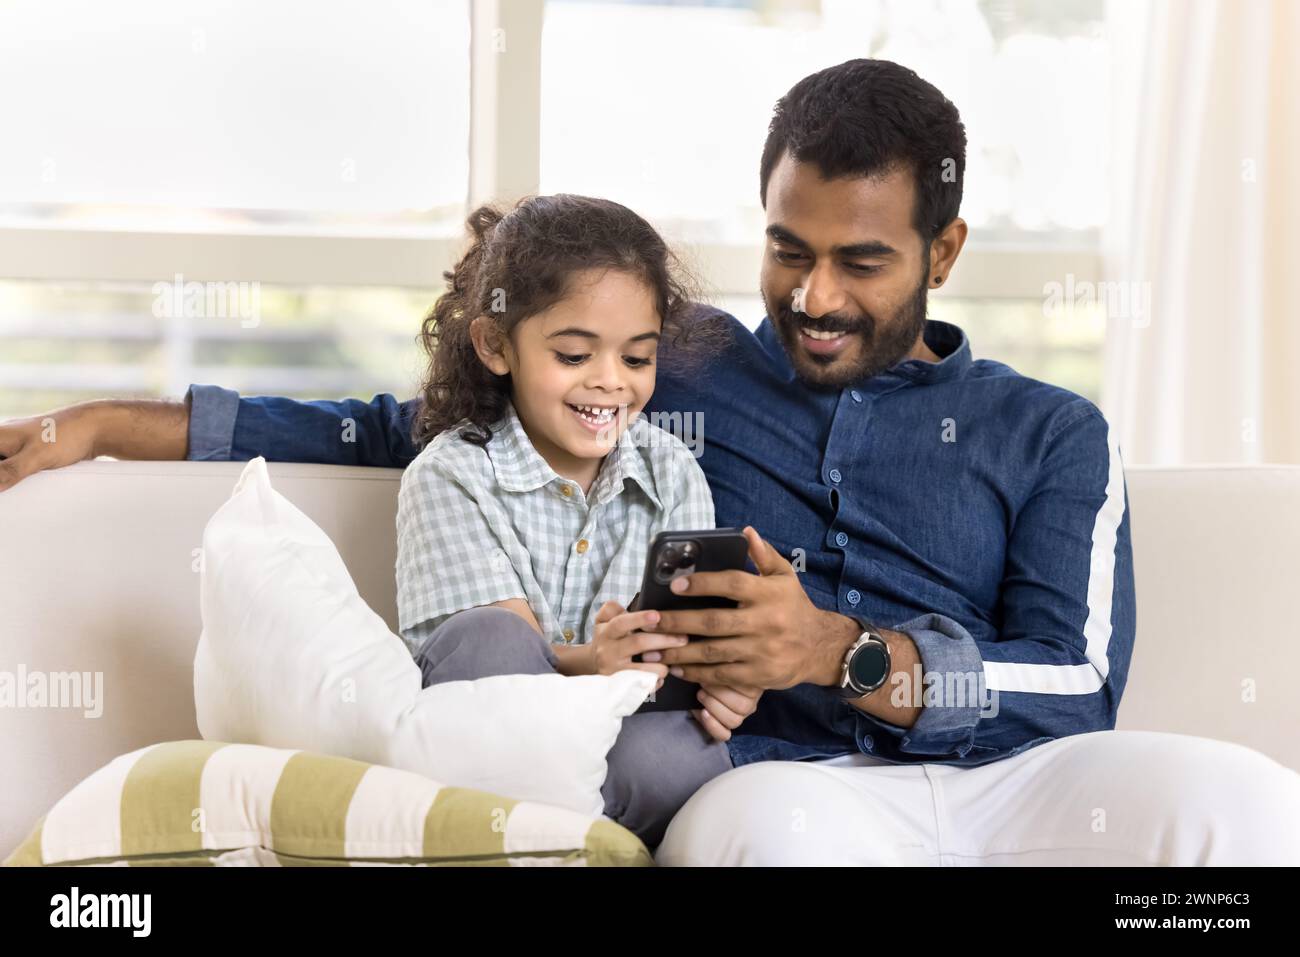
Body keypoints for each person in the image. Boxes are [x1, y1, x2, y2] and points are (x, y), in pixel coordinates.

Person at [4, 59, 1298, 865]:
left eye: (863, 261)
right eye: (790, 249)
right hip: (797, 786)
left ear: (944, 253)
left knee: (1245, 807)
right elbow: (415, 421)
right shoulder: (675, 369)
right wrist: (113, 425)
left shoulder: (1053, 431)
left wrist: (838, 650)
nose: (815, 297)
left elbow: (1077, 679)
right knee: (750, 841)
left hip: (1028, 781)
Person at [398, 193, 749, 847]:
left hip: (617, 748)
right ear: (497, 344)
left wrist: (726, 683)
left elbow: (686, 667)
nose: (611, 382)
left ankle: (554, 831)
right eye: (574, 356)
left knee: (684, 747)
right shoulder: (450, 474)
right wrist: (599, 662)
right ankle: (552, 827)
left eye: (636, 358)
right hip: (490, 728)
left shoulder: (672, 471)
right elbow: (500, 673)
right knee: (491, 637)